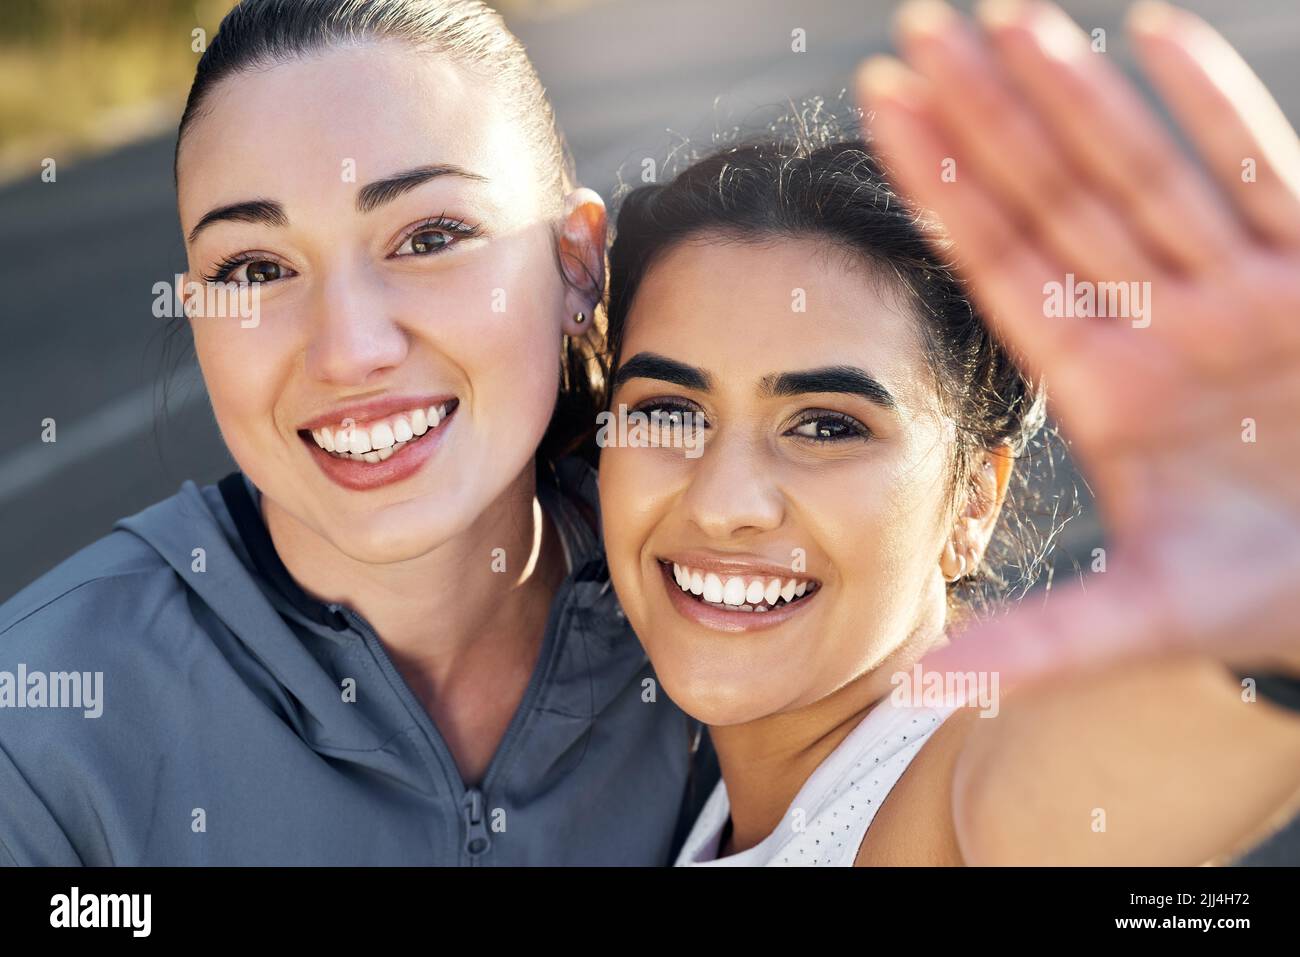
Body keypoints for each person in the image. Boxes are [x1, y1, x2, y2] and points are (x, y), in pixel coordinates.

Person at [0, 0, 716, 866]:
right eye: (257, 268)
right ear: (197, 315)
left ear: (576, 262)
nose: (350, 351)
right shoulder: (37, 729)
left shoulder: (723, 611)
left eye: (430, 236)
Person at [596, 0, 1300, 866]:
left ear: (973, 502)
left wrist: (1270, 630)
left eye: (824, 425)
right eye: (669, 411)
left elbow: (1049, 808)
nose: (723, 503)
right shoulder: (706, 802)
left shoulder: (949, 788)